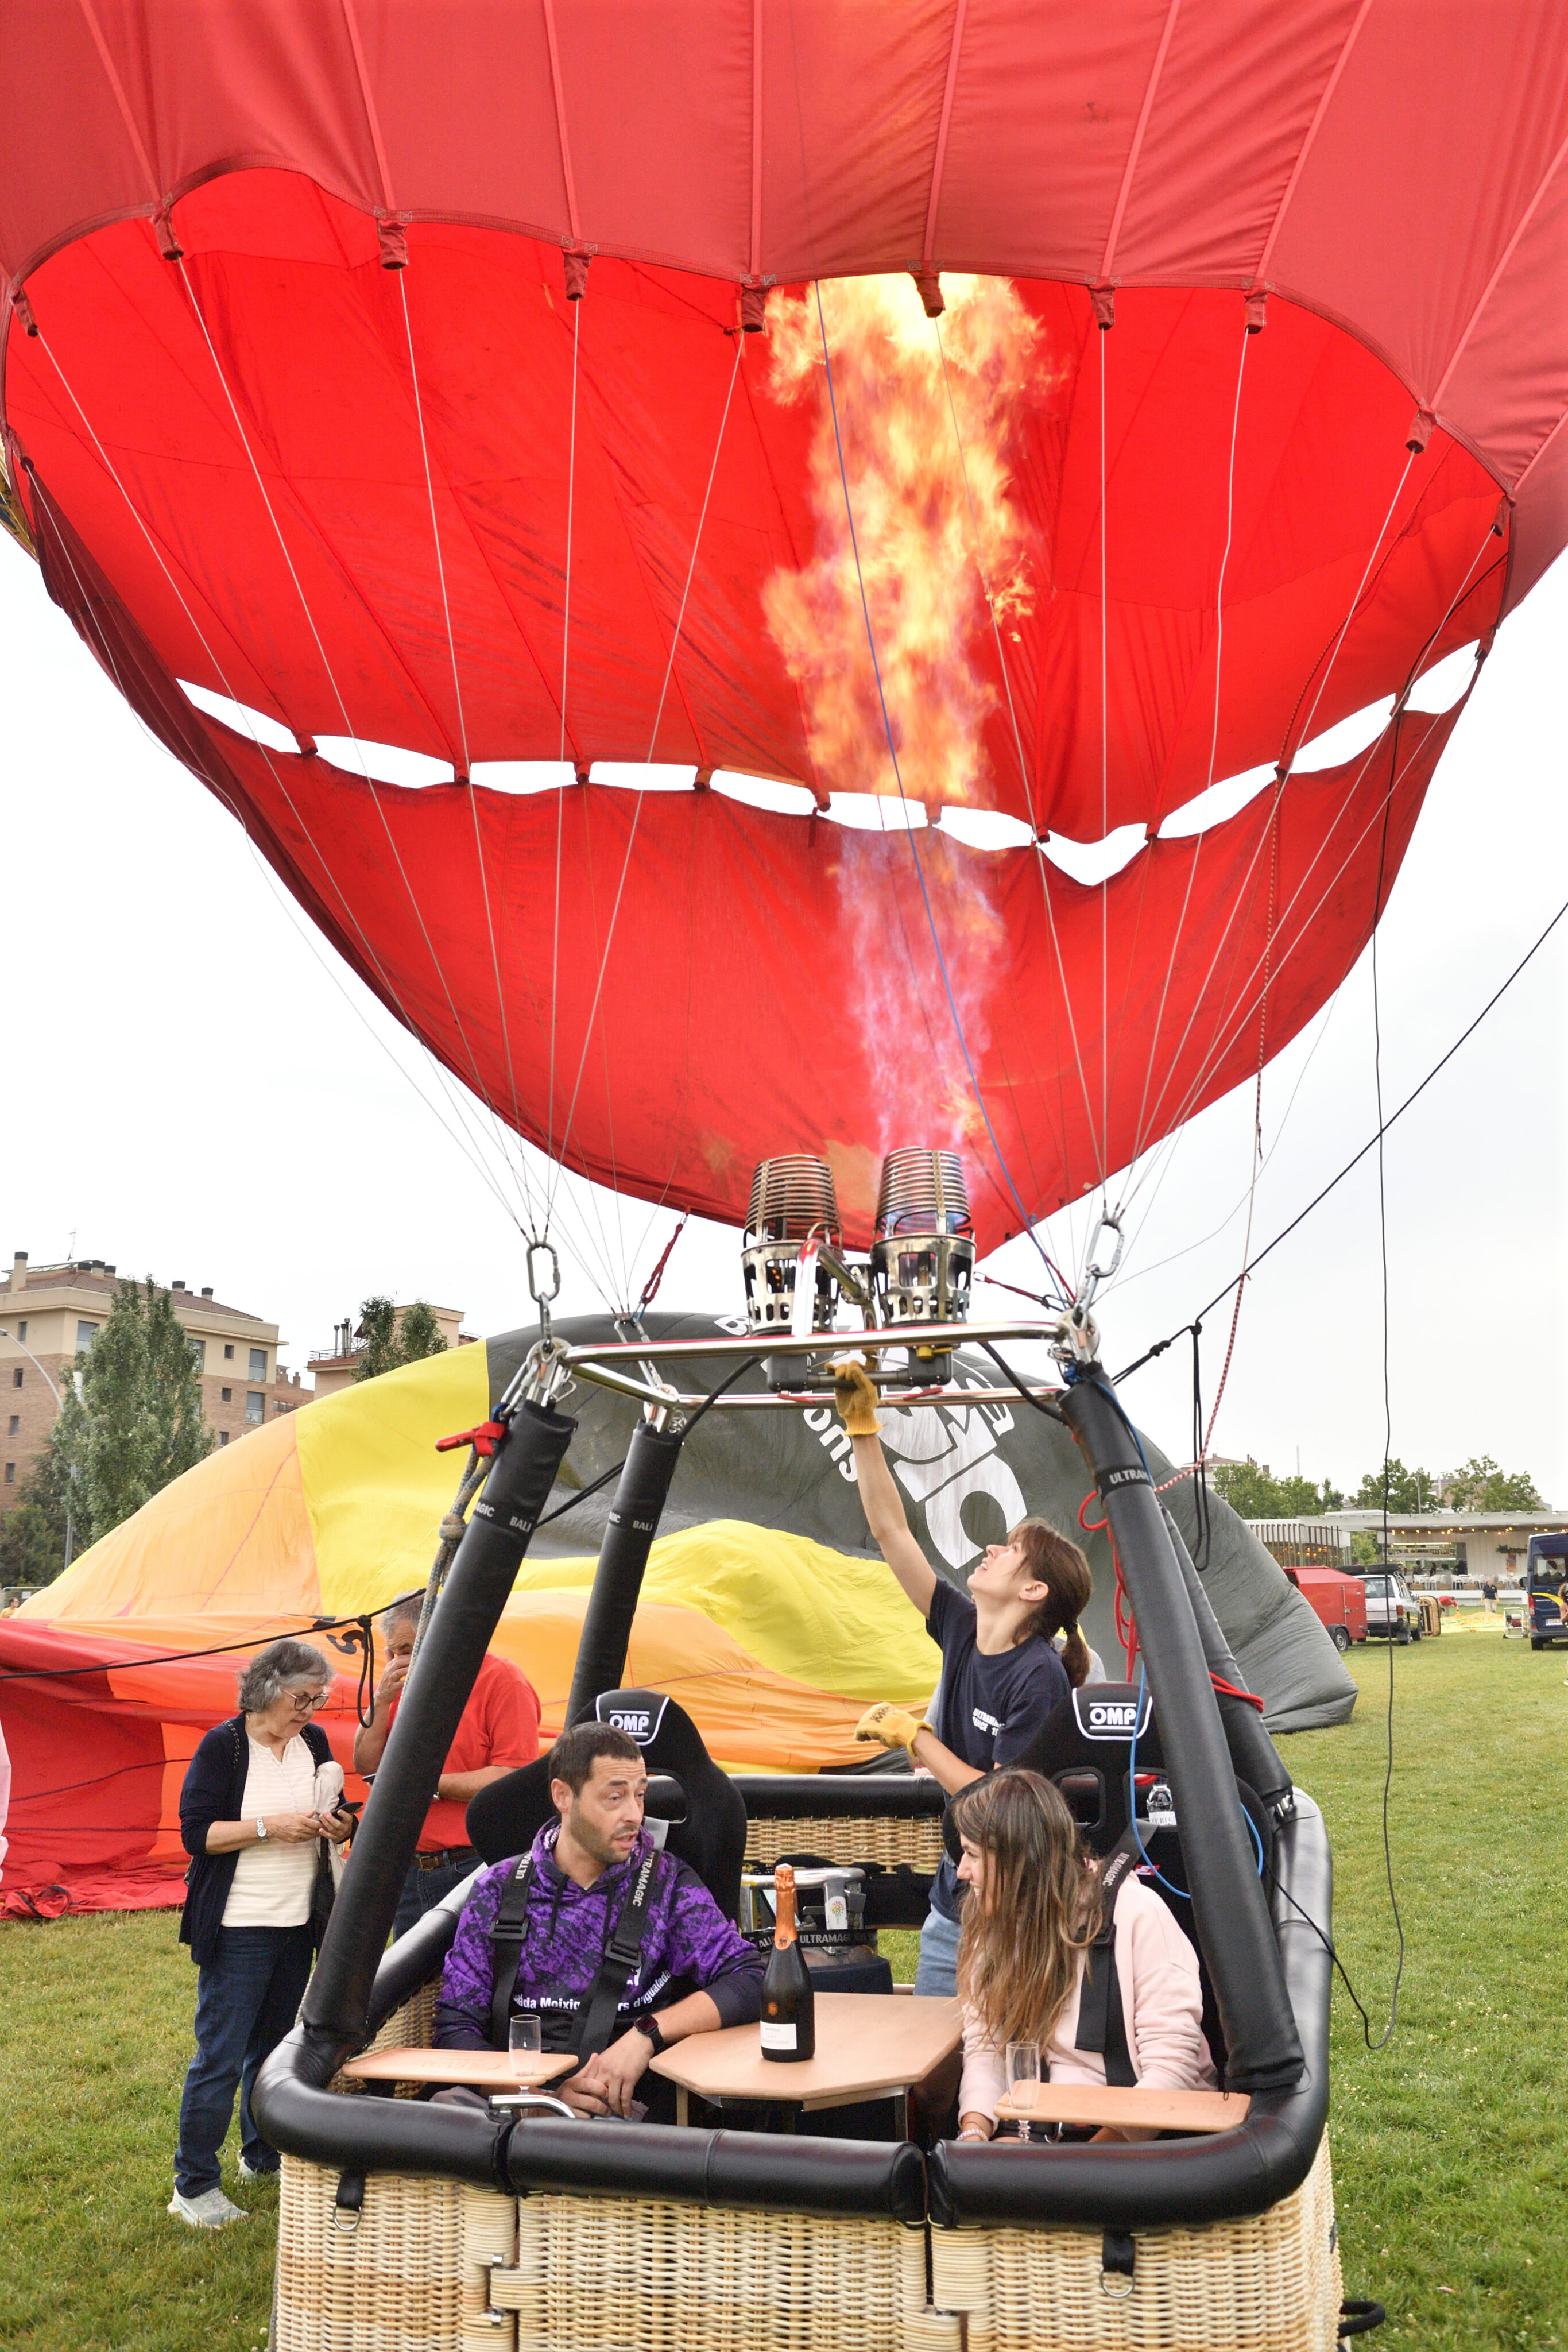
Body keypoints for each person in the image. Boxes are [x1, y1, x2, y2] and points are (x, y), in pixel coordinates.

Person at [827, 1355, 1093, 1997]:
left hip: (1017, 1911)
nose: (989, 1548)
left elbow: (998, 1799)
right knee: (931, 2066)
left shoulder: (1037, 1680)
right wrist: (862, 1431)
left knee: (997, 2063)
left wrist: (914, 1737)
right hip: (957, 1894)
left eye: (1008, 1550)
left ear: (1032, 1589)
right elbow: (891, 1532)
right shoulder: (960, 1623)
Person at [435, 1722, 764, 2118]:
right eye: (614, 1798)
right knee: (442, 2113)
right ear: (563, 1796)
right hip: (511, 2111)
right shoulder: (498, 1888)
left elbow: (750, 1979)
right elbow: (455, 2029)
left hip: (622, 2116)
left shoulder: (668, 1883)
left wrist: (646, 2034)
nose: (634, 1815)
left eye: (640, 1796)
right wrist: (538, 2099)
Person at [171, 1637, 355, 2227]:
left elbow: (345, 1809)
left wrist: (340, 1821)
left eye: (317, 1700)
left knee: (274, 2047)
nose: (309, 1710)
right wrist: (266, 1827)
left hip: (298, 1922)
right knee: (219, 2056)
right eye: (302, 1698)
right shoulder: (223, 1747)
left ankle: (262, 2156)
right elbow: (197, 1835)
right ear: (268, 1689)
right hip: (240, 1924)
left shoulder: (314, 1743)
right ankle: (194, 2186)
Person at [950, 1769, 1214, 2144]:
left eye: (972, 1855)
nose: (962, 1871)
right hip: (1050, 2130)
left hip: (1144, 2137)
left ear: (1020, 1861)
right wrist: (975, 2131)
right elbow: (985, 2048)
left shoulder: (1135, 1914)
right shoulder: (992, 1923)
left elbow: (1173, 2071)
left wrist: (1081, 2170)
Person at [353, 1589, 541, 1937]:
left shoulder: (502, 1680)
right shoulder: (398, 1684)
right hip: (409, 1866)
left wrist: (426, 1784)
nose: (397, 1660)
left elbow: (513, 1778)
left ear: (443, 1633)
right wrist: (381, 1699)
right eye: (392, 1651)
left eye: (407, 1650)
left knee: (470, 1979)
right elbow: (366, 1764)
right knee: (409, 1987)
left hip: (474, 1866)